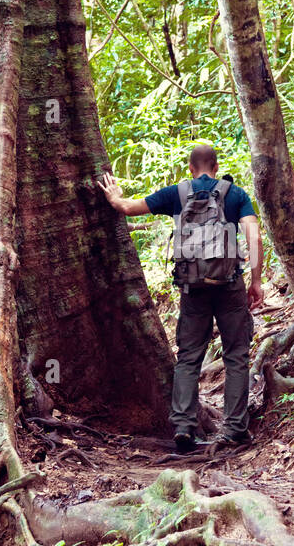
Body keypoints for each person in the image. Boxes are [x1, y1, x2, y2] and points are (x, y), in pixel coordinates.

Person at [98, 143, 264, 452]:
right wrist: (256, 281)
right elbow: (253, 236)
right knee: (236, 356)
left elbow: (128, 208)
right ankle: (235, 429)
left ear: (190, 168)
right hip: (229, 286)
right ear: (216, 167)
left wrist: (114, 195)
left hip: (192, 288)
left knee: (188, 357)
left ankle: (185, 427)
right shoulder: (235, 194)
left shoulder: (177, 193)